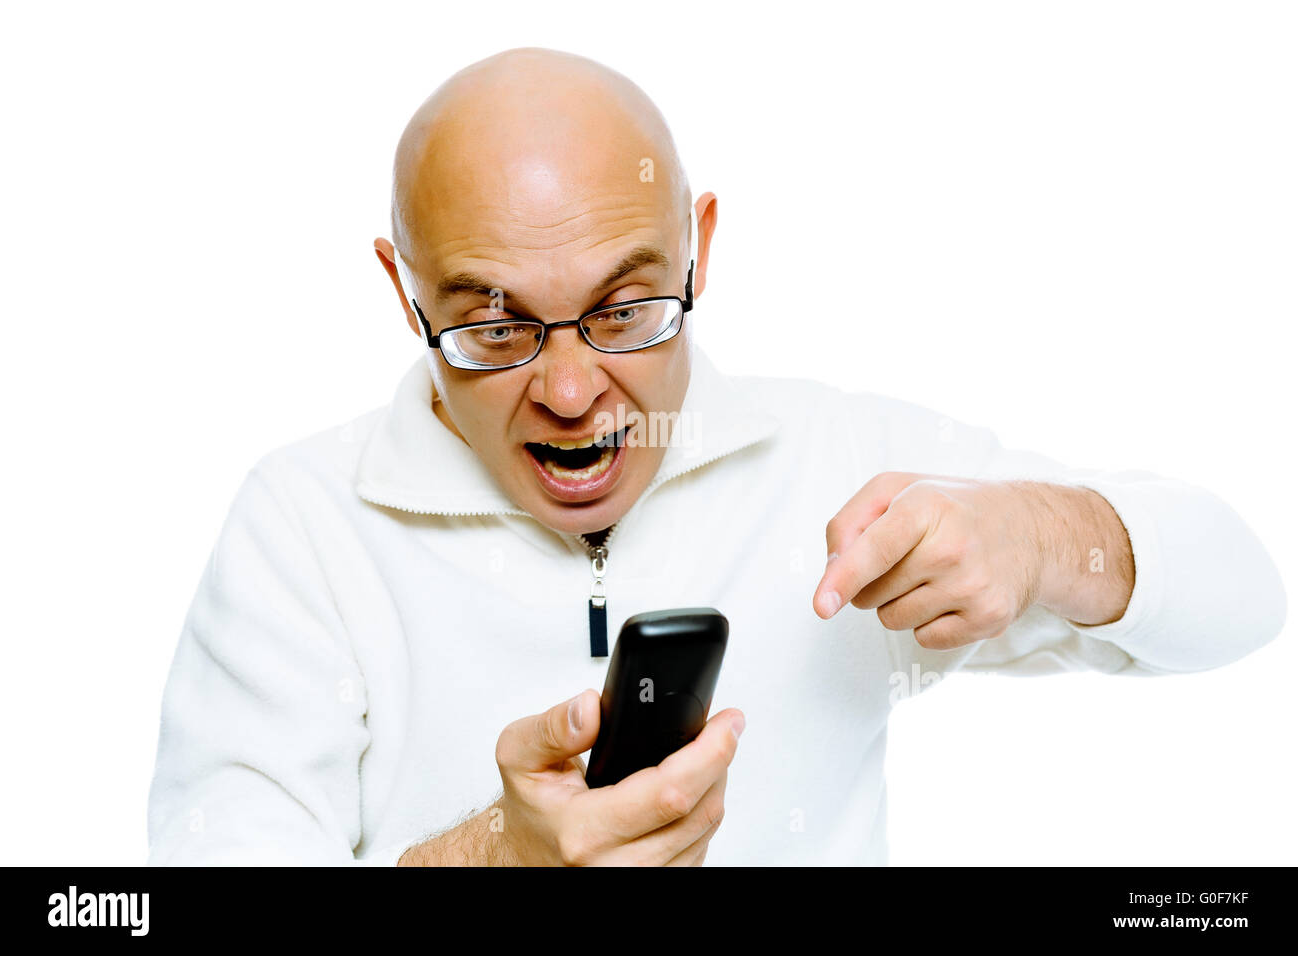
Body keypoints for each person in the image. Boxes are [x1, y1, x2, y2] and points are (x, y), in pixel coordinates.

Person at [146, 48, 1287, 866]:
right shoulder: (300, 528)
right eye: (495, 327)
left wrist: (1041, 537)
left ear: (700, 248)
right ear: (403, 292)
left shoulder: (840, 464)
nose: (571, 388)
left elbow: (1242, 596)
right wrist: (493, 861)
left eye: (626, 307)